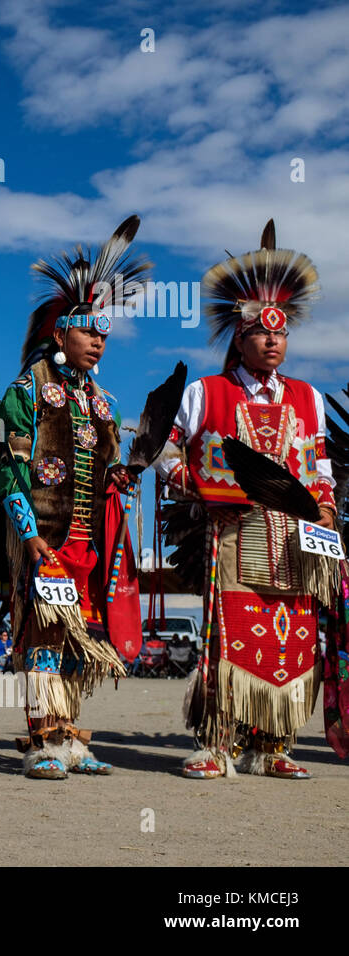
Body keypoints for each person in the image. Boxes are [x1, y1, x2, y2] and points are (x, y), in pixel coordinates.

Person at [157, 220, 333, 780]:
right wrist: (200, 488)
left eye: (281, 334)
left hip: (295, 540)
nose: (274, 341)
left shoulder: (308, 398)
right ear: (240, 336)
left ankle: (273, 746)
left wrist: (325, 511)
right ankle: (218, 744)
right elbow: (164, 456)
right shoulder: (206, 391)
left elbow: (319, 468)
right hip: (232, 535)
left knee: (293, 634)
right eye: (262, 333)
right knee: (230, 634)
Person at [0, 216, 147, 779]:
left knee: (80, 642)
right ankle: (43, 739)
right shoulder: (28, 391)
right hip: (46, 537)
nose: (99, 340)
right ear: (61, 334)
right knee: (44, 632)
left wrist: (120, 480)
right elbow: (9, 474)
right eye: (88, 331)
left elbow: (106, 466)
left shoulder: (104, 402)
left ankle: (71, 736)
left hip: (93, 542)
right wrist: (28, 536)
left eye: (104, 333)